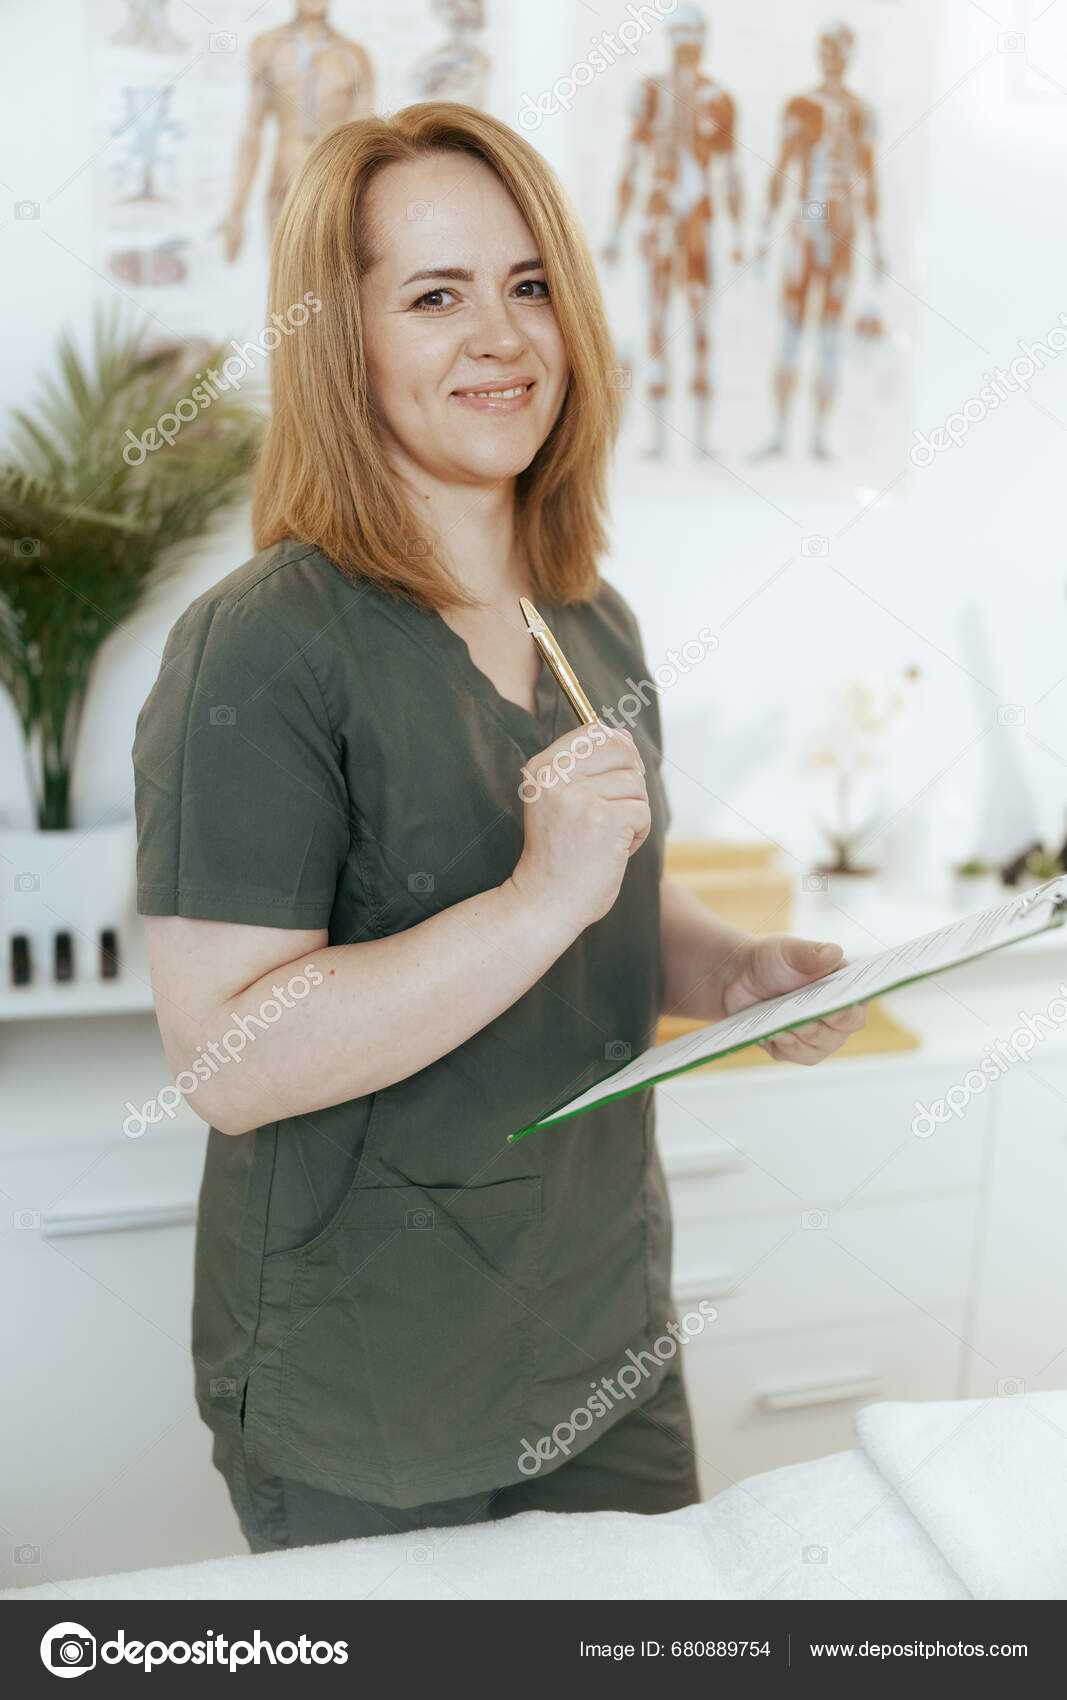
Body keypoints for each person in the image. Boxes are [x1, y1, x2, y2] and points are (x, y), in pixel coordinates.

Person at [133, 102, 866, 1553]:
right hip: (371, 1390)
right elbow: (225, 1061)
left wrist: (725, 975)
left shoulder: (589, 619)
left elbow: (610, 900)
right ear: (342, 346)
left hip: (601, 1343)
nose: (501, 336)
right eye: (435, 296)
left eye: (529, 286)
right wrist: (535, 897)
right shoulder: (263, 648)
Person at [603, 4, 743, 460]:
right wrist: (615, 231)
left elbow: (731, 170)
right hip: (659, 215)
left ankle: (701, 439)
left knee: (702, 321)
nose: (687, 43)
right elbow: (629, 163)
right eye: (680, 33)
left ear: (703, 40)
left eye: (694, 34)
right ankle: (660, 440)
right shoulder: (648, 92)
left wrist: (740, 235)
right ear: (670, 38)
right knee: (658, 322)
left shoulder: (718, 97)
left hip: (699, 217)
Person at [751, 19, 885, 462]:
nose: (832, 57)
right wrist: (762, 233)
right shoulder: (800, 106)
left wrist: (880, 243)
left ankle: (819, 437)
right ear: (819, 53)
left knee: (830, 336)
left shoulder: (863, 113)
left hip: (844, 233)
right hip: (806, 230)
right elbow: (781, 167)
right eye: (826, 48)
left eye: (839, 50)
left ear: (848, 56)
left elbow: (869, 178)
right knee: (790, 330)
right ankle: (779, 433)